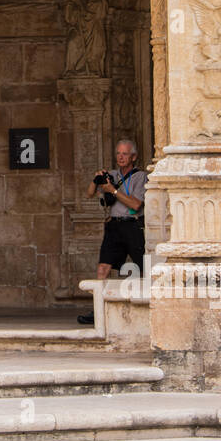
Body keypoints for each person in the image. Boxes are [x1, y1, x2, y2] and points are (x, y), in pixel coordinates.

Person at [78, 139, 147, 324]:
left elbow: (136, 204)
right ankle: (98, 310)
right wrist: (97, 179)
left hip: (133, 226)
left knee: (145, 268)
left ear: (133, 156)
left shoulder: (140, 177)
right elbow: (89, 193)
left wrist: (114, 191)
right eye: (118, 153)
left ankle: (152, 306)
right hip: (114, 226)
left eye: (125, 154)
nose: (121, 157)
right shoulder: (113, 175)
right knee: (103, 268)